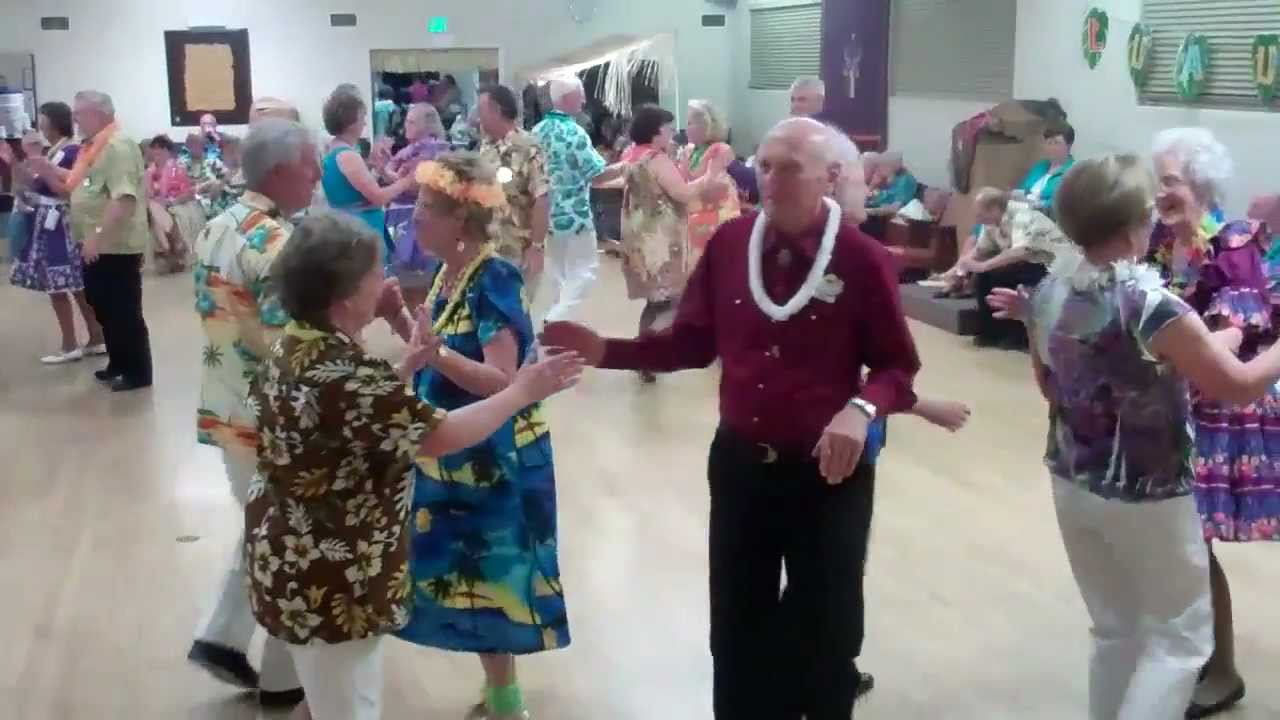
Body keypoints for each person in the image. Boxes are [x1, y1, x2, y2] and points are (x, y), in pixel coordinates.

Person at [542, 117, 920, 718]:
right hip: (742, 467)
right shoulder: (729, 245)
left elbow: (898, 368)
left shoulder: (861, 259)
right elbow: (691, 344)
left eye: (790, 167)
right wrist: (606, 351)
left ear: (832, 176)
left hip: (830, 475)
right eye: (765, 165)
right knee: (736, 629)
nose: (771, 179)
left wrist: (861, 408)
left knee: (827, 632)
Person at [245, 210, 582, 720]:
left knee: (325, 695)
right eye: (374, 275)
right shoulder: (344, 371)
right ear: (343, 298)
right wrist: (523, 391)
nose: (387, 281)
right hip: (329, 575)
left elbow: (356, 418)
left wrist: (408, 364)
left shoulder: (296, 344)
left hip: (294, 556)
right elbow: (438, 435)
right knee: (344, 701)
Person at [1014, 153, 1280, 720]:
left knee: (1116, 631)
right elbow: (1238, 387)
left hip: (1072, 480)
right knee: (1180, 641)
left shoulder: (1047, 292)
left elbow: (1049, 385)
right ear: (1136, 223)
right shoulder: (1149, 303)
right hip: (1147, 494)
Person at [392, 152, 567, 720]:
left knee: (493, 578)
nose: (413, 219)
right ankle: (501, 696)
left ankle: (507, 703)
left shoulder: (492, 277)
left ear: (460, 222)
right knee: (469, 574)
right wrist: (410, 332)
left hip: (494, 452)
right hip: (454, 446)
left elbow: (503, 378)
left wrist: (435, 356)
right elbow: (433, 350)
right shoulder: (449, 272)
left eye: (424, 209)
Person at [186, 118, 321, 711]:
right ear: (281, 171)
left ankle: (223, 639)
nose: (319, 174)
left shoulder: (218, 224)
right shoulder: (277, 243)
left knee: (264, 529)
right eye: (311, 164)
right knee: (291, 540)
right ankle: (280, 677)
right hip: (272, 418)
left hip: (226, 403)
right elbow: (290, 342)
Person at [1144, 128, 1272, 719]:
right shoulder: (1155, 241)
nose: (1161, 192)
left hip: (1221, 407)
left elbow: (1235, 331)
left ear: (1199, 182)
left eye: (1170, 180)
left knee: (1191, 540)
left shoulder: (1232, 241)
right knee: (1176, 540)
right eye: (1159, 180)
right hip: (1169, 402)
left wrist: (1176, 355)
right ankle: (1195, 655)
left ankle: (1219, 669)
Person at [618, 104, 723, 383]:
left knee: (654, 301)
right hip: (660, 240)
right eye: (667, 129)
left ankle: (642, 355)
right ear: (656, 132)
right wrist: (709, 178)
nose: (671, 134)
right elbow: (683, 193)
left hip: (639, 236)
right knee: (669, 301)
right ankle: (650, 356)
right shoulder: (656, 159)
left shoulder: (631, 155)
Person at [4, 103, 105, 364]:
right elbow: (31, 184)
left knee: (62, 285)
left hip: (61, 222)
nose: (39, 123)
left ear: (52, 121)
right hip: (50, 220)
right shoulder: (56, 152)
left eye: (42, 118)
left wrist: (44, 169)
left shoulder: (70, 151)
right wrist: (13, 162)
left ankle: (71, 342)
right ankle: (95, 336)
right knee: (72, 286)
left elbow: (66, 190)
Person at [66, 90, 152, 392]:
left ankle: (138, 372)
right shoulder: (94, 146)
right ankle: (118, 361)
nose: (74, 118)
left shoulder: (118, 145)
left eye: (79, 113)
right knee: (102, 304)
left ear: (99, 114)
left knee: (123, 308)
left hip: (116, 243)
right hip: (94, 242)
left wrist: (99, 236)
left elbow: (123, 198)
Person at [531, 75, 624, 322]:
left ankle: (553, 332)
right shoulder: (574, 133)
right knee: (585, 273)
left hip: (543, 217)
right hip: (575, 218)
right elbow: (598, 175)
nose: (583, 101)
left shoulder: (536, 132)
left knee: (557, 278)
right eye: (580, 95)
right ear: (567, 98)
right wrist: (627, 166)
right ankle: (555, 320)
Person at [320, 88, 416, 264]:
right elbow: (378, 197)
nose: (364, 123)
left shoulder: (334, 149)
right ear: (351, 122)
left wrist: (377, 168)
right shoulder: (347, 155)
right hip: (359, 229)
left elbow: (351, 189)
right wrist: (406, 181)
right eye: (362, 117)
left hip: (348, 225)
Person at [965, 188, 1066, 349]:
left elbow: (1021, 251)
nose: (978, 220)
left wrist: (984, 266)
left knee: (1003, 274)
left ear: (994, 209)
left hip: (1051, 266)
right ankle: (990, 333)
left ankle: (1018, 336)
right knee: (985, 276)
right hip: (1024, 262)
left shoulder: (1023, 215)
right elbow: (980, 250)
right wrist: (960, 268)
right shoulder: (991, 222)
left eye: (980, 214)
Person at [477, 84, 550, 305]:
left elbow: (542, 198)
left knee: (515, 315)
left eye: (481, 111)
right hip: (487, 248)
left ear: (497, 110)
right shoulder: (486, 147)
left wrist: (536, 248)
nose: (478, 117)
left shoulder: (529, 147)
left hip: (516, 249)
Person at [383, 103, 450, 296]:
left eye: (411, 122)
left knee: (415, 287)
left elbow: (414, 185)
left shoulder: (431, 150)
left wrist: (385, 171)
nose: (406, 126)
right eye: (406, 121)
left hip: (415, 220)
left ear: (427, 125)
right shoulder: (412, 150)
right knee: (403, 286)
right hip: (401, 220)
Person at [678, 99, 740, 267]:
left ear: (706, 125)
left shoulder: (720, 149)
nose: (686, 128)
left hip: (717, 214)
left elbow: (709, 180)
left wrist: (680, 191)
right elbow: (680, 178)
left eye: (691, 123)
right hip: (694, 213)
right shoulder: (688, 151)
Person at [145, 135, 205, 273]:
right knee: (153, 207)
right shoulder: (148, 172)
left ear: (168, 152)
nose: (157, 153)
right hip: (156, 206)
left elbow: (188, 193)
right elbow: (147, 195)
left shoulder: (179, 169)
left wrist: (170, 202)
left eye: (160, 150)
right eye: (154, 150)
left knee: (156, 215)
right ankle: (169, 246)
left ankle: (166, 248)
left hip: (177, 204)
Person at [1018, 123, 1075, 214]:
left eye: (1056, 143)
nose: (1051, 147)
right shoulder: (1039, 167)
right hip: (1023, 214)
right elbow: (1021, 189)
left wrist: (1038, 204)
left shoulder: (1073, 173)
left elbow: (1063, 204)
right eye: (1049, 143)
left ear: (1069, 145)